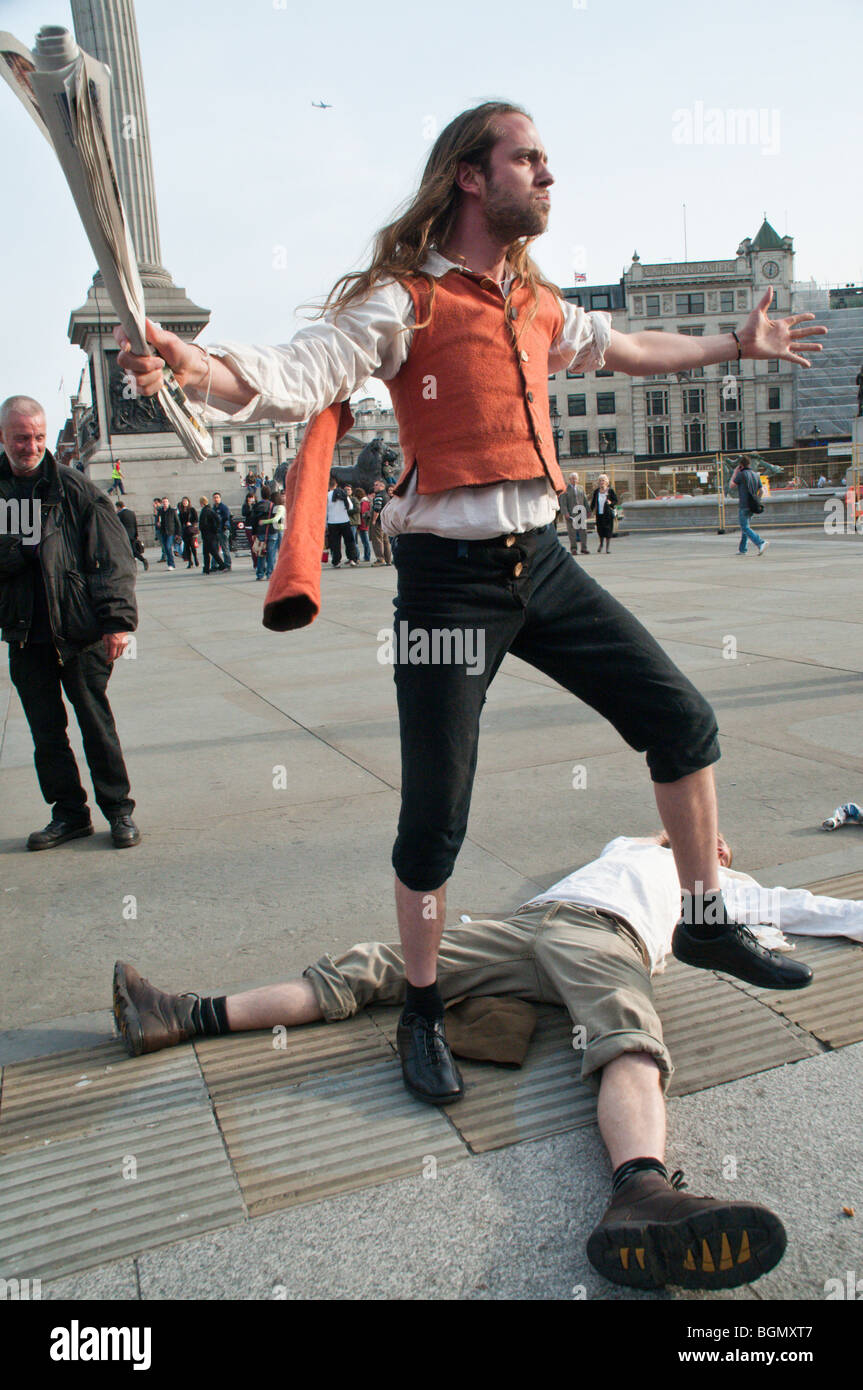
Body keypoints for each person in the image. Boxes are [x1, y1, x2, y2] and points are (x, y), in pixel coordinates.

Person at [116, 101, 827, 1105]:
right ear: (468, 176)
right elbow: (293, 374)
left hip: (540, 562)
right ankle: (418, 1009)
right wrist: (196, 365)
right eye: (527, 158)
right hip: (448, 586)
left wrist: (731, 348)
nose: (546, 175)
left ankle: (705, 916)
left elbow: (624, 349)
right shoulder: (402, 303)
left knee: (682, 720)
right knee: (434, 821)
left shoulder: (536, 304)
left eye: (545, 160)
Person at [112, 829, 846, 1290]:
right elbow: (649, 836)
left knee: (627, 1036)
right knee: (379, 966)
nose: (713, 846)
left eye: (719, 843)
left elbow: (814, 908)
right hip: (518, 932)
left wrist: (716, 872)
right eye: (704, 837)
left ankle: (640, 1189)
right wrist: (668, 837)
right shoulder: (628, 846)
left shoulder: (729, 889)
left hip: (605, 940)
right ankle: (180, 1015)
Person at [0, 396, 141, 850]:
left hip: (79, 633)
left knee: (96, 725)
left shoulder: (75, 488)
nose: (32, 445)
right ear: (3, 436)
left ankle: (119, 811)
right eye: (22, 437)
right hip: (26, 636)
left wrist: (116, 621)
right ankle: (69, 814)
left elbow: (112, 558)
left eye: (39, 436)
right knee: (46, 734)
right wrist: (16, 548)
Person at [729, 456, 768, 556]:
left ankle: (760, 542)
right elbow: (762, 490)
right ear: (749, 464)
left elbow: (731, 485)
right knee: (745, 527)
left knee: (745, 527)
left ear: (741, 465)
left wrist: (735, 473)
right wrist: (757, 500)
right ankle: (742, 549)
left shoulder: (741, 475)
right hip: (752, 505)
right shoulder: (755, 474)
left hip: (744, 504)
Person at [325, 476, 359, 568]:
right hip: (345, 520)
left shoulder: (327, 496)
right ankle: (352, 559)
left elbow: (325, 511)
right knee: (349, 541)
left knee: (335, 543)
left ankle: (336, 561)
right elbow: (351, 506)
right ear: (336, 484)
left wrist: (325, 524)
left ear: (328, 485)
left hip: (332, 522)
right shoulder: (343, 493)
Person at [115, 498, 149, 572]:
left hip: (125, 535)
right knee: (132, 550)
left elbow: (118, 525)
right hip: (132, 534)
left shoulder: (120, 514)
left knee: (130, 551)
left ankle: (141, 560)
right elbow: (135, 524)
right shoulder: (131, 513)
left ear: (118, 507)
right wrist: (136, 534)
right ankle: (138, 562)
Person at [589, 473, 618, 554]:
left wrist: (610, 502)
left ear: (606, 482)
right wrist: (590, 511)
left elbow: (616, 501)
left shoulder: (610, 491)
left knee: (608, 530)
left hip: (608, 514)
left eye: (603, 480)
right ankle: (601, 544)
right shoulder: (596, 492)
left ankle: (607, 547)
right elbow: (593, 502)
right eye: (600, 481)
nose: (602, 482)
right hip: (599, 514)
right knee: (600, 530)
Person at [250, 484, 274, 580]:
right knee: (271, 554)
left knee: (261, 553)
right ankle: (270, 574)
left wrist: (253, 533)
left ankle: (260, 574)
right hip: (272, 532)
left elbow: (254, 521)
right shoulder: (273, 505)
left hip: (260, 532)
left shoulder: (257, 506)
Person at [562, 470, 589, 555]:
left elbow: (585, 500)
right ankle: (573, 549)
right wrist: (566, 513)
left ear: (578, 480)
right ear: (569, 480)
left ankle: (584, 548)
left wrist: (588, 510)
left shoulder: (581, 488)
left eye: (575, 479)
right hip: (571, 513)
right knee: (572, 532)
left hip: (581, 512)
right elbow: (563, 503)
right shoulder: (565, 489)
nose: (574, 480)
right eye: (572, 479)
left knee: (583, 532)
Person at [198, 495, 226, 574]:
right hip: (211, 534)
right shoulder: (210, 509)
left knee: (210, 552)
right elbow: (217, 520)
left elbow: (204, 524)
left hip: (208, 535)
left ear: (202, 503)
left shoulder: (205, 511)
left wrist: (208, 529)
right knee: (209, 552)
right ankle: (207, 568)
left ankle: (221, 565)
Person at [368, 479, 392, 566]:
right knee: (386, 540)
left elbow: (377, 509)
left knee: (377, 540)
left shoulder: (379, 496)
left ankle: (380, 558)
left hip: (378, 521)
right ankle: (388, 559)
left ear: (382, 486)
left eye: (376, 485)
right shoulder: (386, 496)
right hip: (385, 521)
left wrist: (374, 520)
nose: (374, 486)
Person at [155, 495, 180, 570]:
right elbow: (157, 520)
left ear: (168, 502)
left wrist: (178, 533)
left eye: (166, 502)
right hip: (163, 532)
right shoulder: (160, 511)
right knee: (166, 548)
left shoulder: (172, 511)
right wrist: (158, 524)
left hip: (170, 532)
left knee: (168, 547)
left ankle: (171, 564)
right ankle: (170, 563)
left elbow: (177, 522)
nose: (165, 503)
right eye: (163, 502)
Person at [212, 491, 233, 570]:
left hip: (223, 530)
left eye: (217, 497)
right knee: (215, 549)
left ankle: (228, 565)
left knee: (225, 548)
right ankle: (215, 565)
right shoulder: (213, 508)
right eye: (214, 498)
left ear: (220, 498)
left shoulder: (223, 507)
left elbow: (227, 517)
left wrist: (225, 526)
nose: (216, 499)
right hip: (216, 530)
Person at [178, 496, 199, 568]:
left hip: (191, 530)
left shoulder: (192, 509)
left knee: (192, 546)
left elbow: (196, 519)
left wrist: (191, 523)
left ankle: (196, 558)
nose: (184, 502)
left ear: (188, 502)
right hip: (185, 531)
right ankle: (190, 562)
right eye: (183, 501)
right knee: (187, 547)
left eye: (186, 501)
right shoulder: (181, 511)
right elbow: (179, 522)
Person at [268, 488, 286, 575]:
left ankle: (274, 569)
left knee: (273, 551)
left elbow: (276, 519)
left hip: (276, 529)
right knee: (281, 550)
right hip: (281, 529)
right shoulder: (281, 507)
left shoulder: (275, 507)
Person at [354, 486, 372, 562]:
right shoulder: (366, 501)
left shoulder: (363, 502)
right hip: (364, 523)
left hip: (363, 523)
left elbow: (362, 512)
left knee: (365, 541)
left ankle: (367, 556)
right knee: (365, 541)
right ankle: (366, 556)